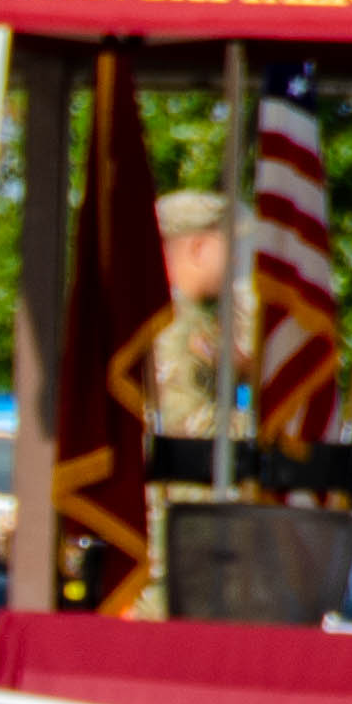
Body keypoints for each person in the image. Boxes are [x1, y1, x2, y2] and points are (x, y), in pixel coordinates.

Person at [141, 188, 235, 615]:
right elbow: (185, 430)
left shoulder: (164, 316)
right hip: (172, 543)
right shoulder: (176, 325)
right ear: (198, 246)